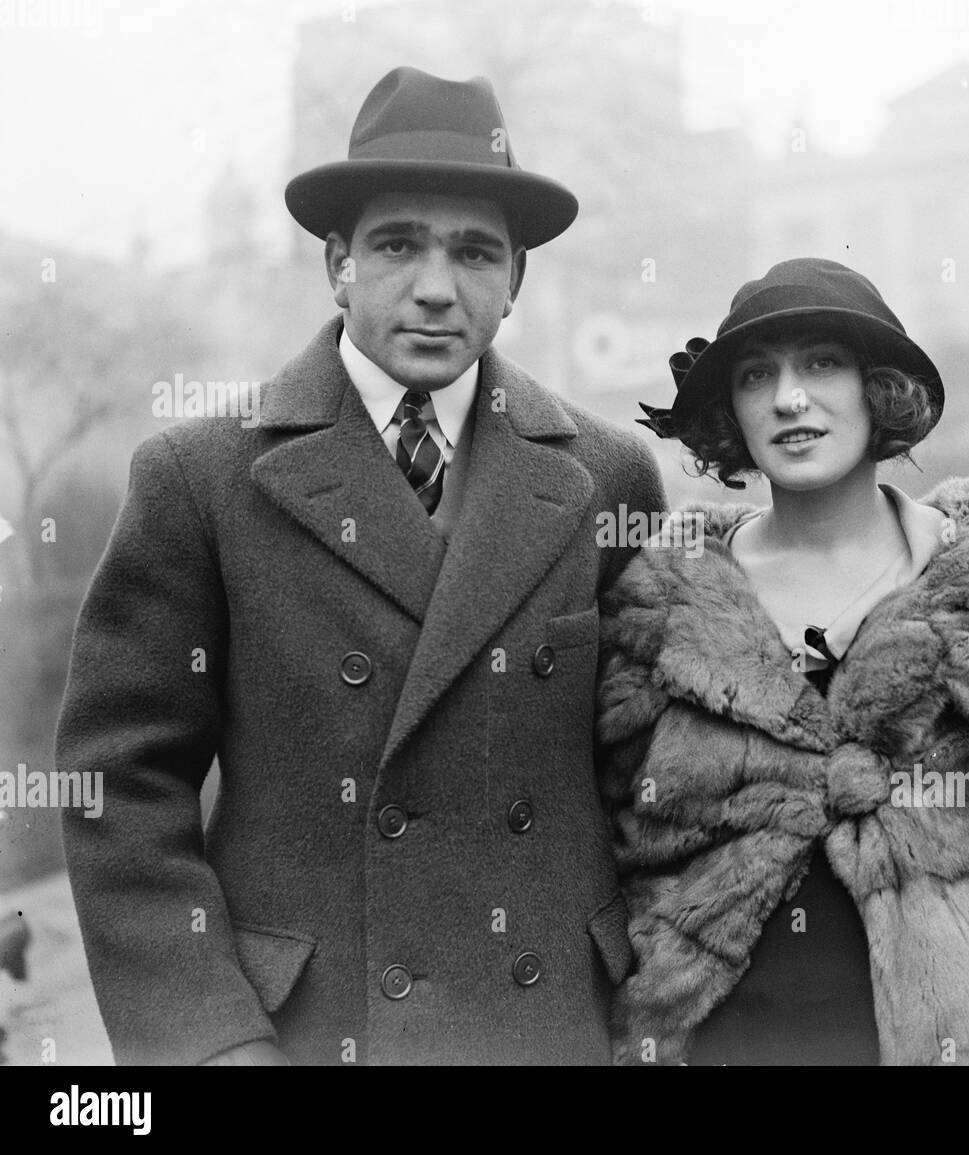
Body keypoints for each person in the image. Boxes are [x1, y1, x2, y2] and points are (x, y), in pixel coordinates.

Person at [56, 67, 665, 1065]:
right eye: (396, 246)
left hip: (555, 1023)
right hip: (310, 1031)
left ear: (516, 281)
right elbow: (119, 787)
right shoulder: (203, 476)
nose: (436, 286)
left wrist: (655, 1018)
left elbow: (649, 780)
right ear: (337, 264)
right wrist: (209, 1043)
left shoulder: (608, 475)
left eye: (475, 252)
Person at [597, 257, 969, 1065]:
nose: (788, 398)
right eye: (755, 375)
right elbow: (625, 860)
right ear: (731, 410)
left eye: (821, 363)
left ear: (878, 387)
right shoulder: (665, 611)